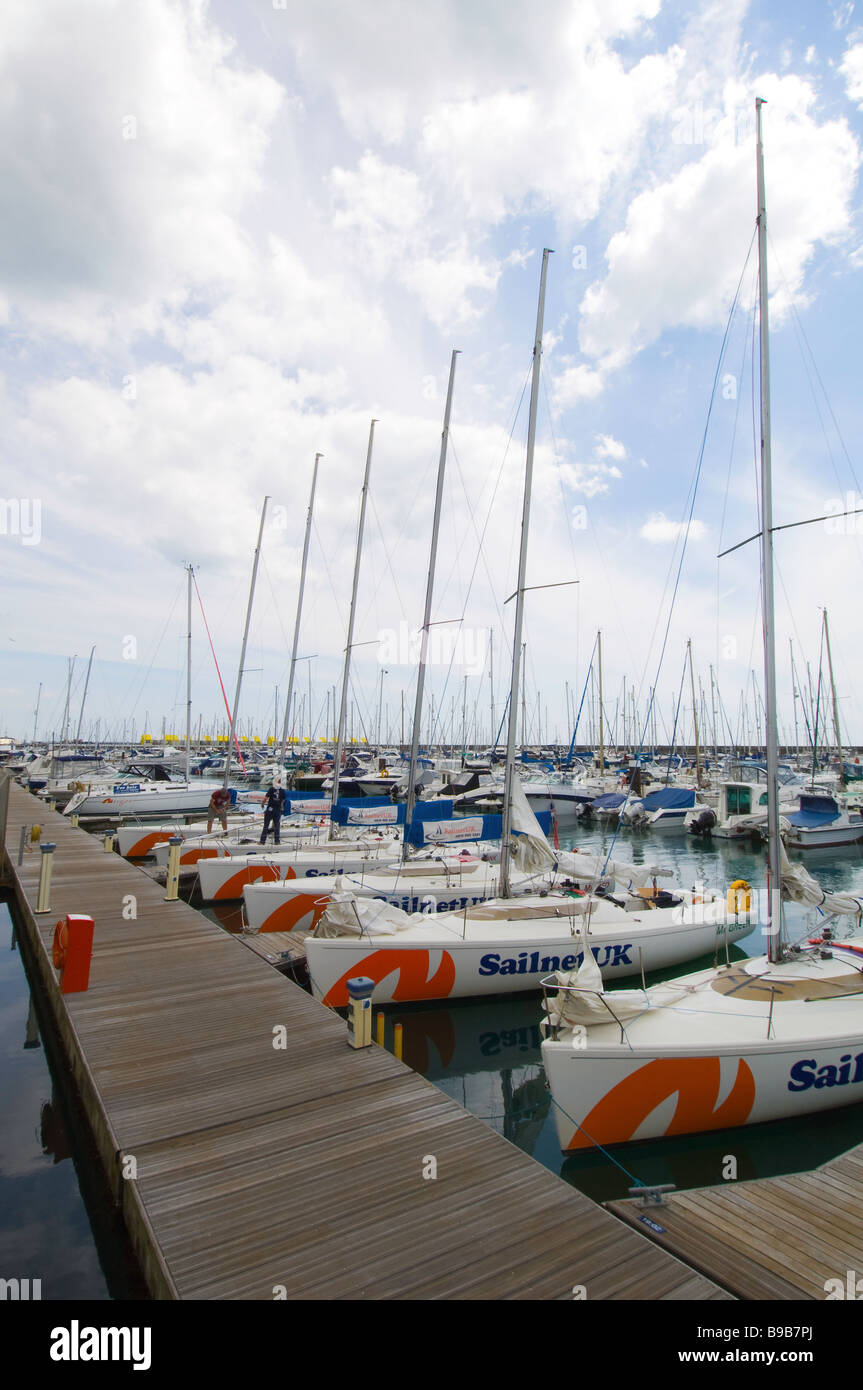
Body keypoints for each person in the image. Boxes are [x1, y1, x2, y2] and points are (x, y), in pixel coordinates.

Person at [261, 779, 286, 845]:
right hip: (277, 810)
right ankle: (277, 841)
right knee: (277, 826)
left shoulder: (271, 789)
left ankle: (262, 841)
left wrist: (262, 804)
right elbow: (283, 801)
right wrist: (281, 808)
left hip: (270, 809)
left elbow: (266, 798)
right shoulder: (282, 791)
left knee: (266, 825)